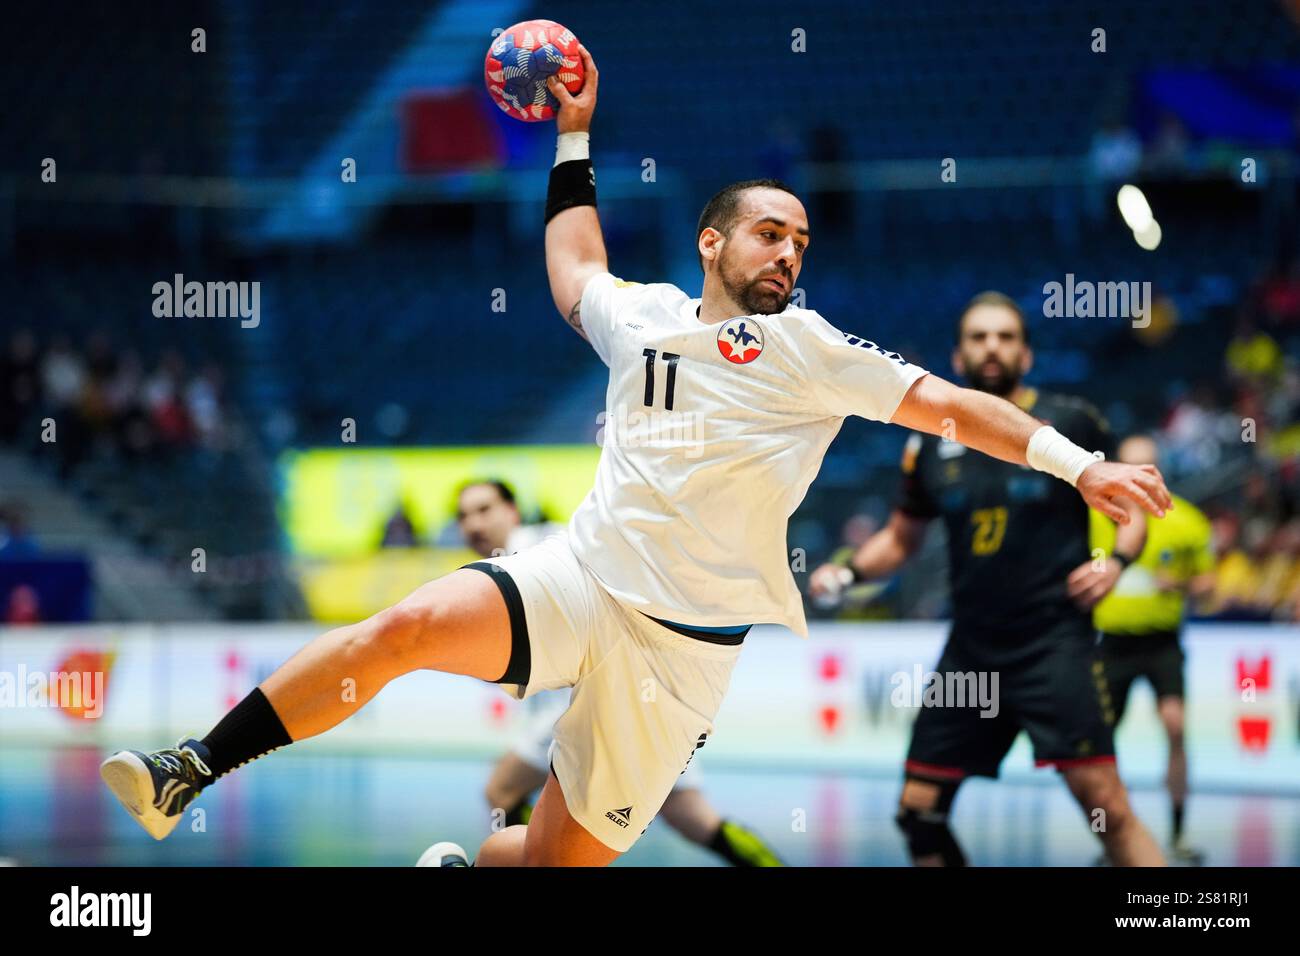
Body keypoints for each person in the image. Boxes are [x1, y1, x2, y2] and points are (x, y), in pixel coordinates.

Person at [101, 46, 1171, 867]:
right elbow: (574, 259)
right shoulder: (644, 317)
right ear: (713, 242)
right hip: (582, 574)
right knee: (407, 625)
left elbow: (949, 404)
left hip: (680, 654)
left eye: (801, 240)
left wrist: (1077, 465)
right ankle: (187, 767)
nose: (790, 251)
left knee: (548, 856)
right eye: (769, 233)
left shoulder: (812, 349)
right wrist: (575, 133)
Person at [811, 292, 1167, 866]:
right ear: (958, 356)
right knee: (917, 812)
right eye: (979, 337)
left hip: (1055, 644)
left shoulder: (1070, 422)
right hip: (971, 650)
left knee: (1108, 807)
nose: (992, 347)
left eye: (1005, 336)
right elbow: (901, 539)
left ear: (1026, 355)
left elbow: (1128, 514)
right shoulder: (926, 440)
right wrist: (847, 569)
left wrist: (1115, 564)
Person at [458, 479, 783, 866]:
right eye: (463, 516)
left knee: (502, 792)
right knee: (697, 822)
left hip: (586, 706)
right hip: (649, 700)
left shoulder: (526, 551)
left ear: (512, 511)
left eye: (484, 510)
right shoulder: (557, 541)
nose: (473, 524)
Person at [1090, 434, 1215, 864]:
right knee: (1101, 743)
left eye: (1148, 467)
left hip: (1161, 643)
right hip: (1111, 645)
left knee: (1175, 726)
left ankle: (1177, 833)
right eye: (1130, 466)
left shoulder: (1188, 520)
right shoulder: (1096, 514)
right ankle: (1114, 838)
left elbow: (1210, 588)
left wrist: (1178, 584)